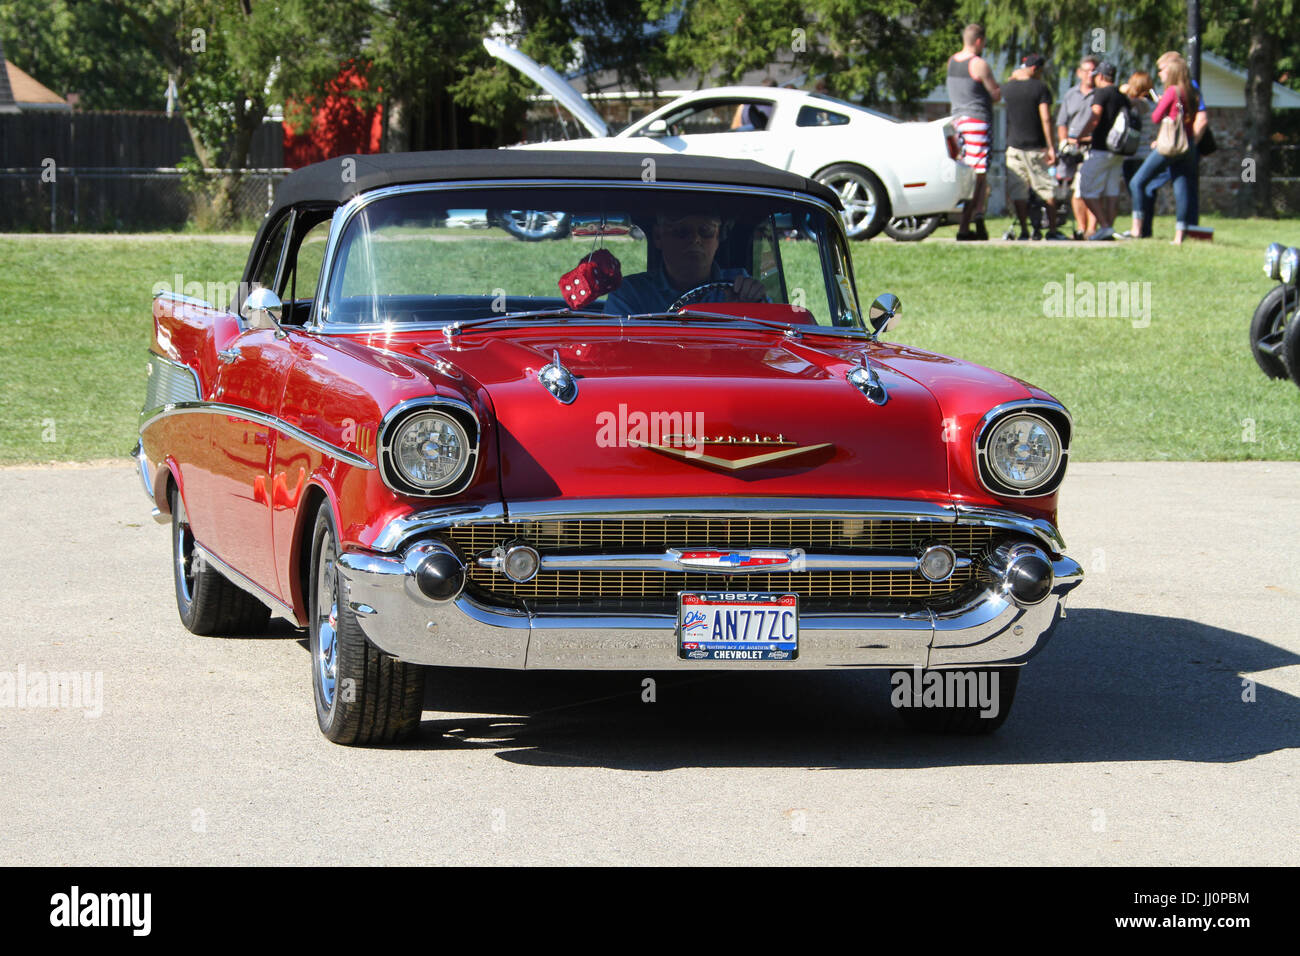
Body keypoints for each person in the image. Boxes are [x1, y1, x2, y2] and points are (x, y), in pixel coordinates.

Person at [603, 213, 767, 314]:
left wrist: (751, 308)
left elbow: (770, 345)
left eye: (706, 231)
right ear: (658, 237)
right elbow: (617, 352)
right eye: (682, 232)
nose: (696, 239)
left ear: (718, 239)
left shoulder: (739, 286)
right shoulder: (630, 293)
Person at [1128, 52, 1208, 243]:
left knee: (1137, 182)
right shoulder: (1191, 92)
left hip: (1169, 145)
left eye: (1162, 70)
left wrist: (1162, 102)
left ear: (1171, 71)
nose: (1160, 74)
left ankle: (1136, 229)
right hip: (1188, 145)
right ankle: (1180, 235)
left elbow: (1156, 117)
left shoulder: (1172, 91)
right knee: (1181, 188)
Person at [1001, 53, 1066, 240]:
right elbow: (1046, 117)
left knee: (1018, 192)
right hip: (1036, 147)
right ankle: (1052, 231)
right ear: (1035, 69)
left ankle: (1024, 230)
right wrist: (1051, 146)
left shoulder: (1008, 87)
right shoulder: (1040, 88)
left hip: (1013, 146)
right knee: (1046, 190)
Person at [946, 23, 1001, 241]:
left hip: (957, 121)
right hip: (977, 121)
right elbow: (995, 94)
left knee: (966, 173)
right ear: (979, 41)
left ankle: (976, 216)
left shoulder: (952, 61)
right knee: (978, 174)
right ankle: (965, 224)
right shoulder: (978, 64)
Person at [1074, 61, 1129, 240]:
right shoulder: (1122, 97)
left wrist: (1080, 135)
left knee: (1086, 189)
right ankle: (1110, 227)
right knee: (1112, 191)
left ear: (1101, 76)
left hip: (1101, 150)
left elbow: (1095, 118)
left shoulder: (1101, 93)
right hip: (1118, 151)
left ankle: (1105, 226)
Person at [1056, 54, 1100, 238]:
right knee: (1075, 190)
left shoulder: (1100, 94)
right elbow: (1062, 122)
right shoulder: (1070, 95)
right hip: (1072, 148)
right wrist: (1064, 142)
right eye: (1086, 70)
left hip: (1091, 147)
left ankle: (1092, 229)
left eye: (1093, 71)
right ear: (1079, 73)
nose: (1089, 74)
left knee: (1089, 188)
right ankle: (1081, 228)